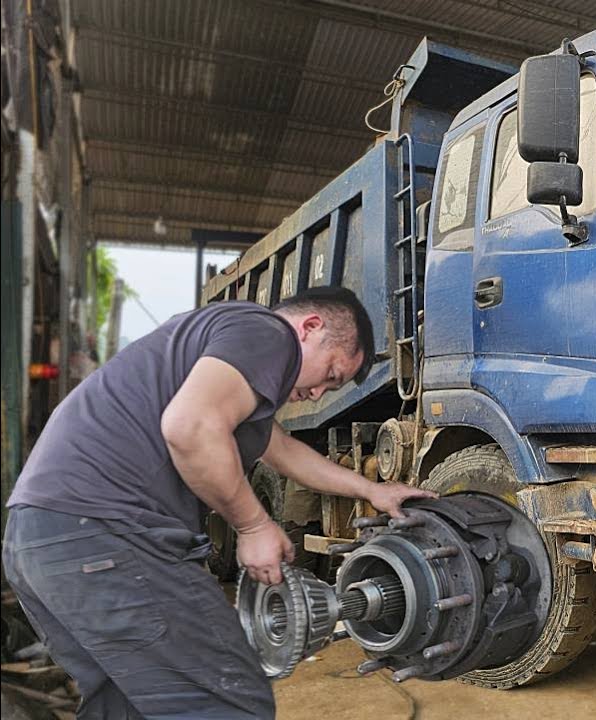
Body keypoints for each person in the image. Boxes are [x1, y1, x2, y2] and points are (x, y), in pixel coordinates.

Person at [3, 287, 432, 719]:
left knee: (126, 705)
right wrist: (253, 525)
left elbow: (282, 450)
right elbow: (189, 427)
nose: (320, 393)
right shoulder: (266, 333)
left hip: (40, 541)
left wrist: (371, 490)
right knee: (230, 702)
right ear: (310, 327)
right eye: (331, 374)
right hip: (105, 537)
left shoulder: (217, 348)